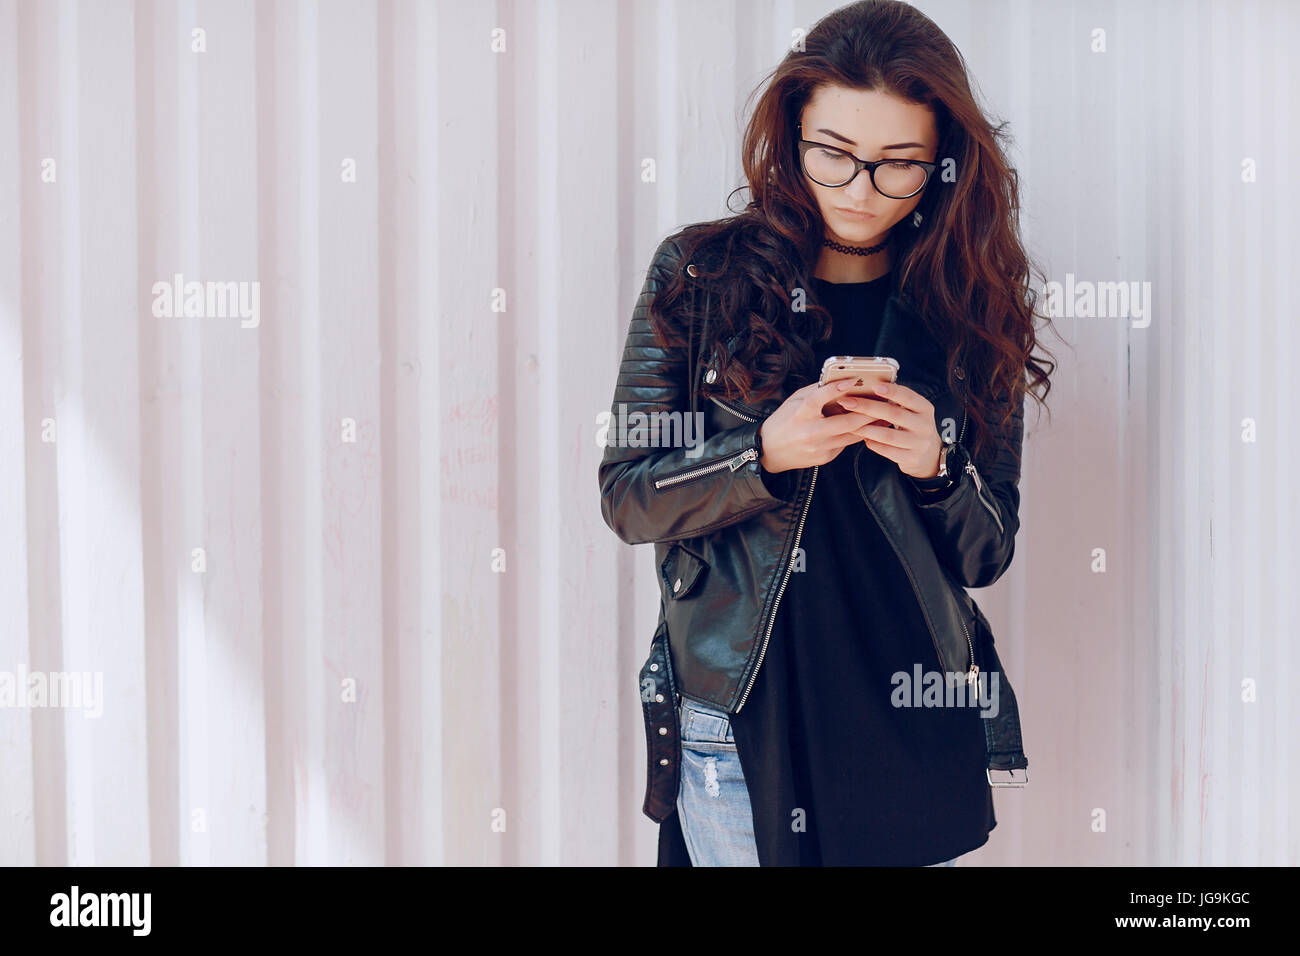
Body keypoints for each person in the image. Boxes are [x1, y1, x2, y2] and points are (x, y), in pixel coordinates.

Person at [599, 0, 1056, 866]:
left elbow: (986, 554)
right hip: (741, 714)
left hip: (910, 716)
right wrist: (763, 452)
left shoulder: (971, 306)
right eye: (833, 155)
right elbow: (627, 497)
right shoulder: (700, 274)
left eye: (899, 165)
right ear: (792, 132)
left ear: (944, 164)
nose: (859, 189)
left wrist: (936, 465)